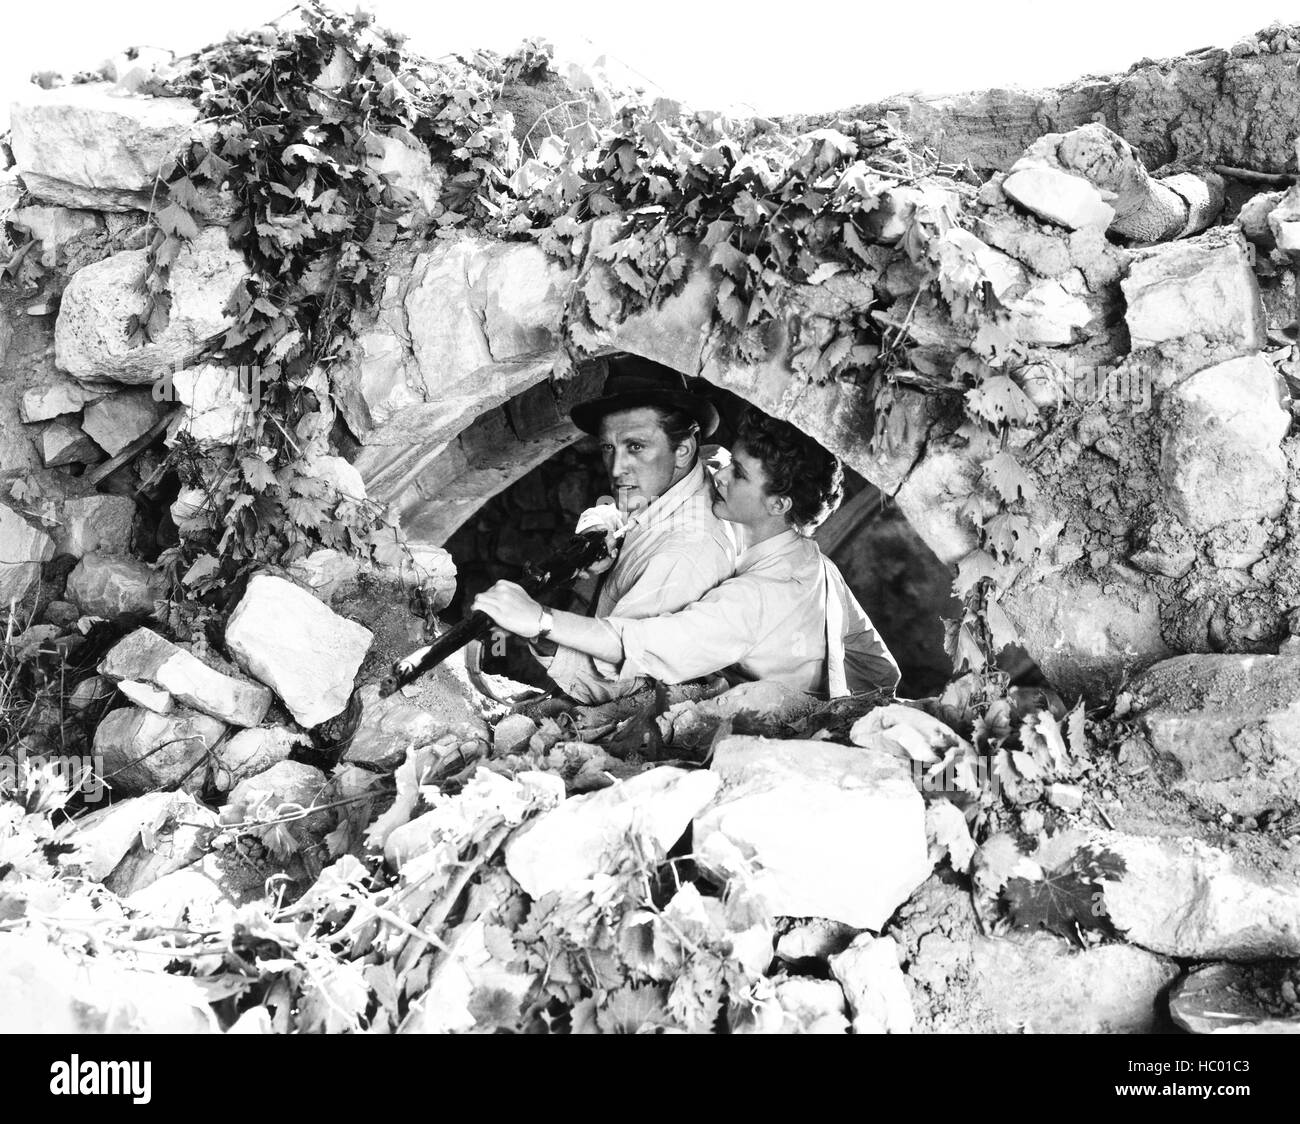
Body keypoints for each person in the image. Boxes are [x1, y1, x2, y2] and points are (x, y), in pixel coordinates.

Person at [473, 407, 901, 699]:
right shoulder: (818, 566)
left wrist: (540, 621)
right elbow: (882, 672)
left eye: (741, 474)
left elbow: (643, 643)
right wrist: (607, 523)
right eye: (733, 462)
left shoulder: (754, 598)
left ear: (778, 505)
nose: (723, 475)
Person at [521, 355, 739, 704]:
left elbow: (614, 679)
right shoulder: (694, 469)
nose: (617, 467)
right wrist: (598, 528)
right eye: (609, 447)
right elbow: (616, 506)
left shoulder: (685, 553)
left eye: (635, 447)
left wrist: (535, 628)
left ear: (682, 450)